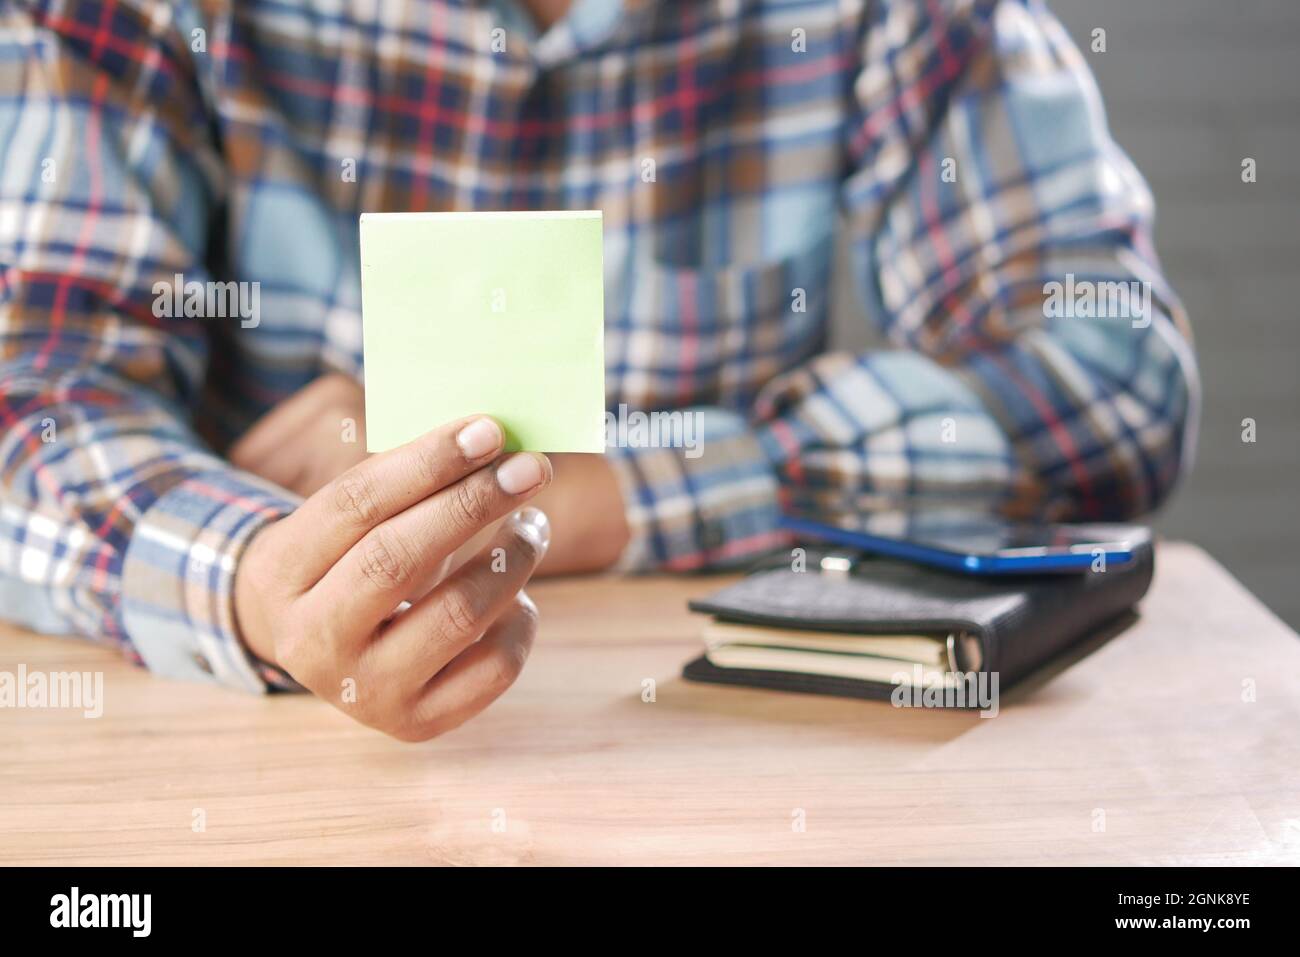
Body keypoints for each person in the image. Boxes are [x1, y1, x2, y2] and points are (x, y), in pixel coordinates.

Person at [0, 0, 1197, 739]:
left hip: (703, 740)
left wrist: (604, 492)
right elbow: (32, 390)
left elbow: (1114, 372)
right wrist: (257, 577)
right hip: (249, 743)